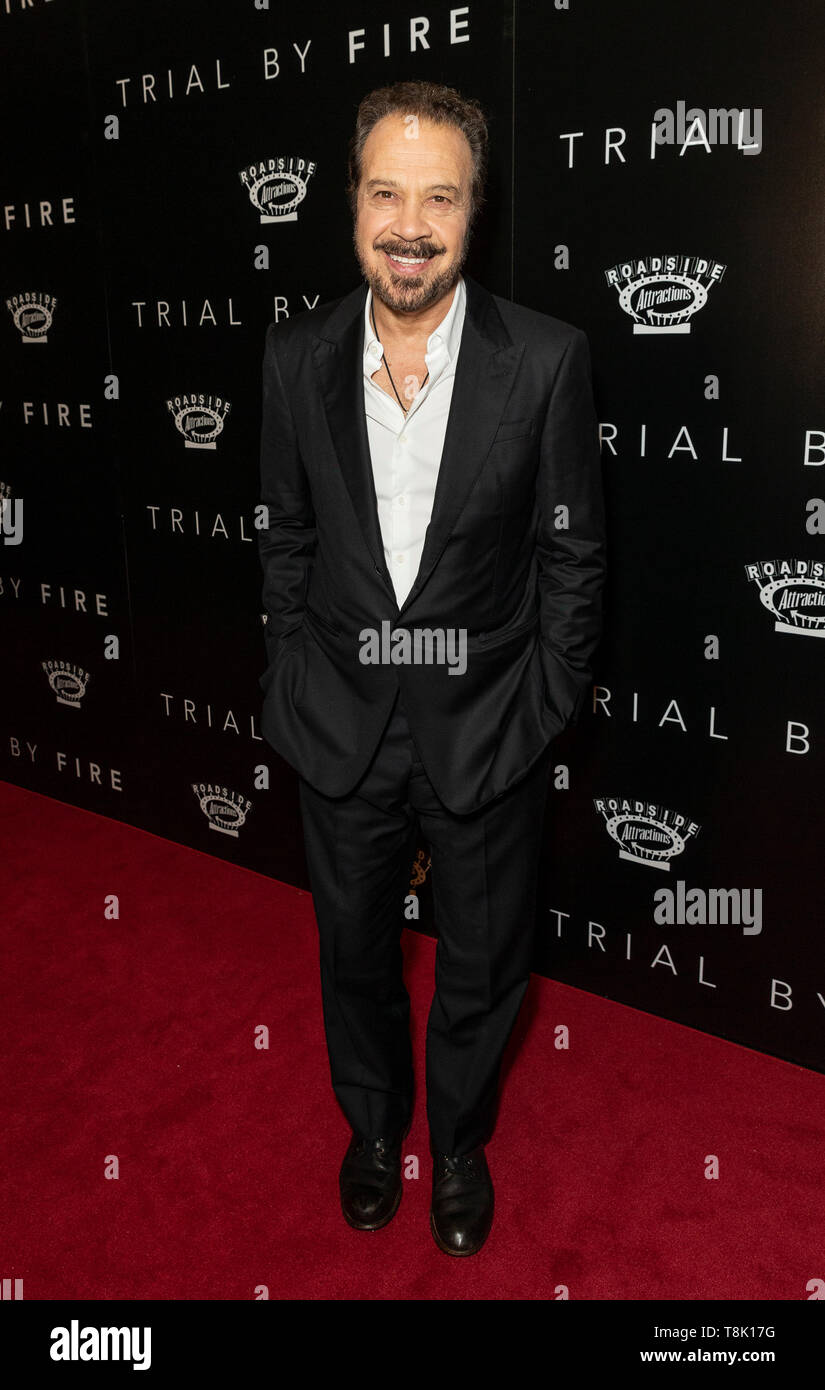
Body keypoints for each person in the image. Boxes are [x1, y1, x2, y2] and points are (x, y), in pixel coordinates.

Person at [257, 80, 606, 1257]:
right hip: (342, 722)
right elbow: (288, 537)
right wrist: (292, 681)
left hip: (486, 725)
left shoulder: (548, 364)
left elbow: (574, 553)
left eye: (439, 197)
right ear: (352, 200)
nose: (411, 223)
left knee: (484, 961)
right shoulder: (296, 355)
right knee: (351, 950)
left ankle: (456, 1140)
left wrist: (541, 706)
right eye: (387, 192)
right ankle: (371, 1129)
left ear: (474, 211)